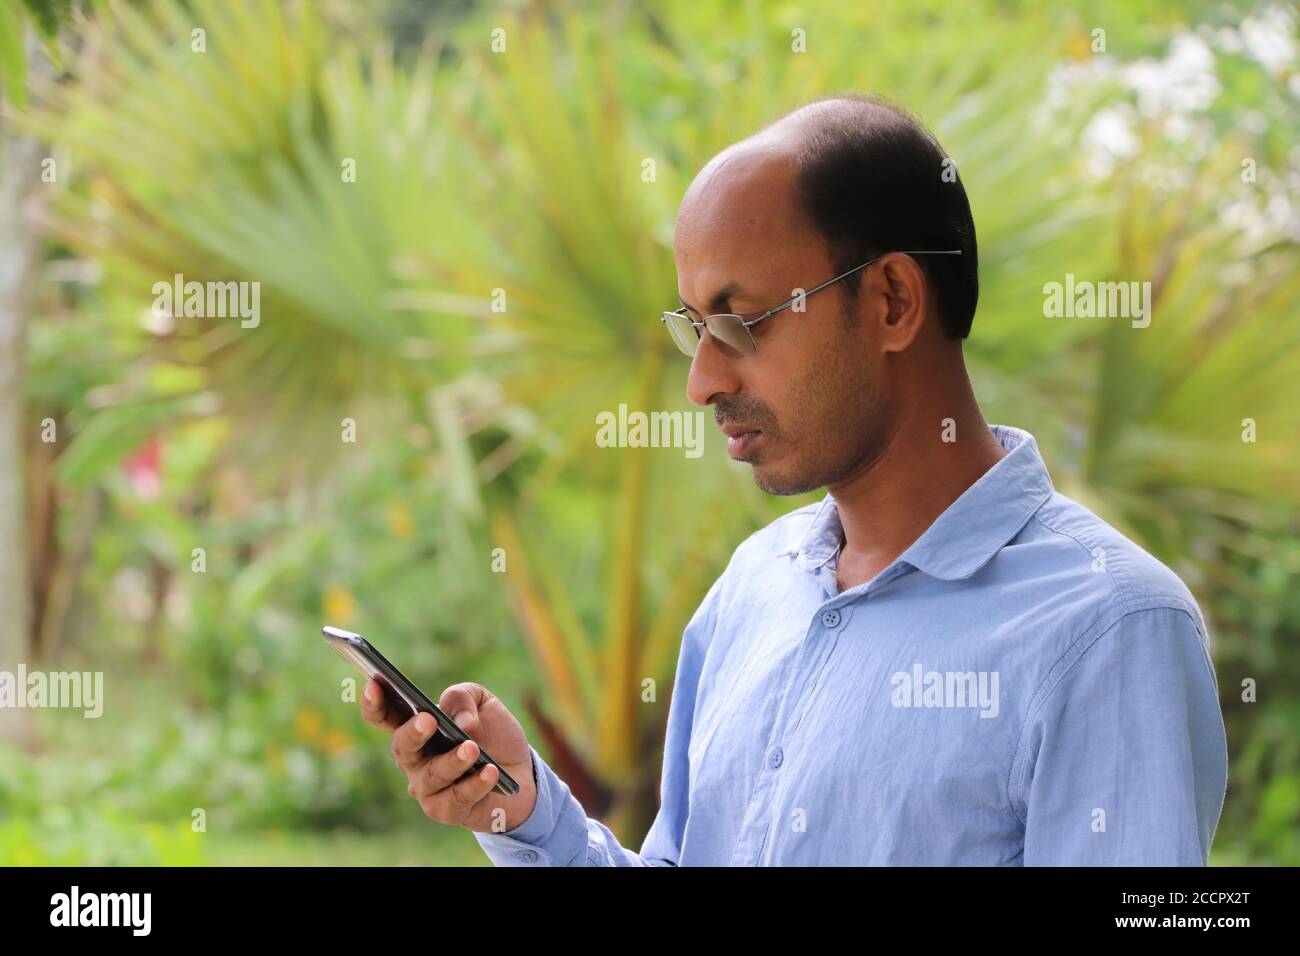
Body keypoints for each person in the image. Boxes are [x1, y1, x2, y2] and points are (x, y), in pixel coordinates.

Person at [361, 93, 1228, 865]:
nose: (703, 381)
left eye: (741, 323)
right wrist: (529, 816)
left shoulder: (1109, 630)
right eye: (692, 327)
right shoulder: (754, 590)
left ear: (892, 301)